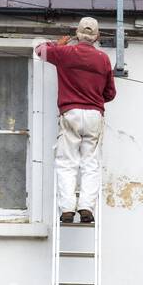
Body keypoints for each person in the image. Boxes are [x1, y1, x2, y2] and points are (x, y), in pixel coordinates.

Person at [36, 17, 117, 224]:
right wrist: (94, 95)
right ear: (97, 37)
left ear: (77, 34)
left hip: (70, 112)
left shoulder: (64, 54)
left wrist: (57, 44)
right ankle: (86, 207)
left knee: (67, 162)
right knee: (90, 163)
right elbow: (110, 93)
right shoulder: (103, 59)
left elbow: (39, 50)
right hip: (93, 115)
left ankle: (67, 209)